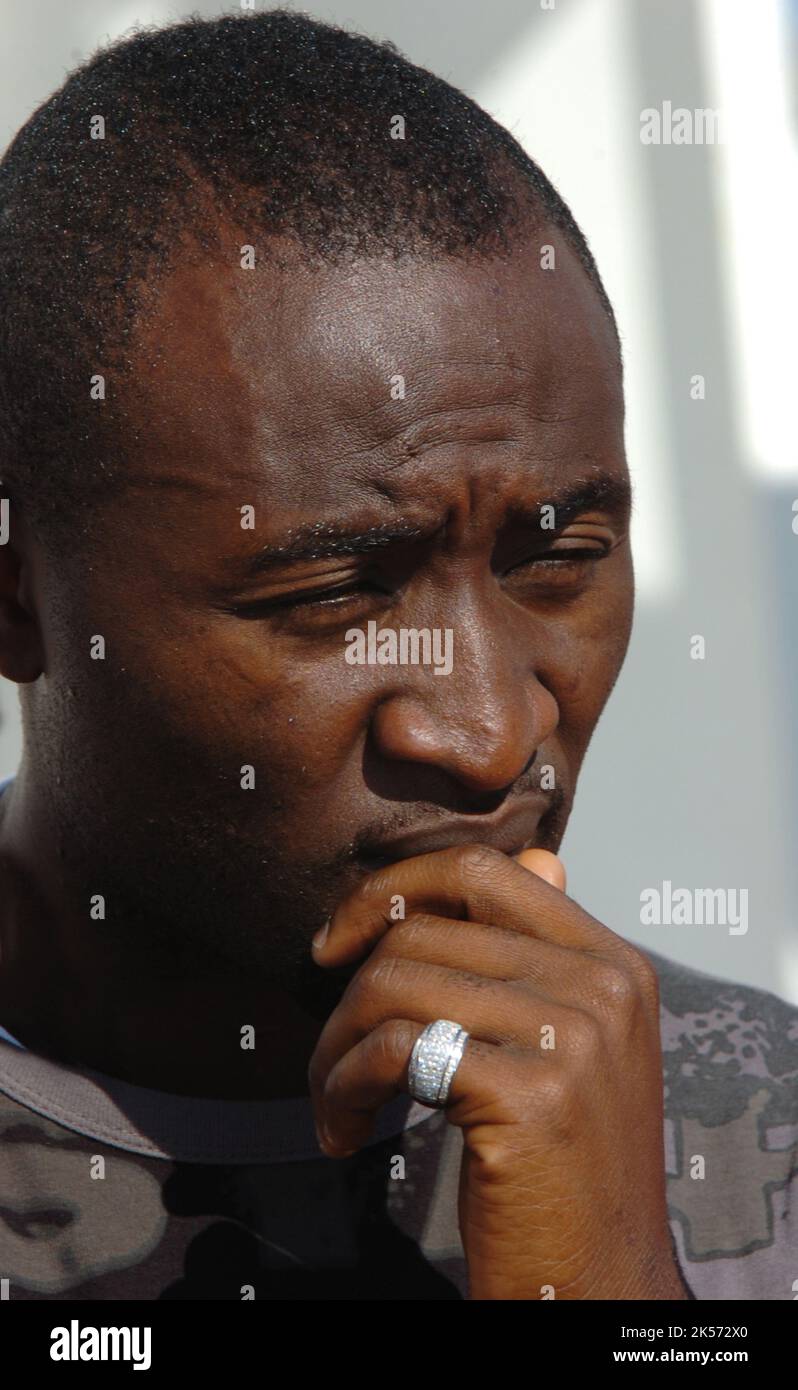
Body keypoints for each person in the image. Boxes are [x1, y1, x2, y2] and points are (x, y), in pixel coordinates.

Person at [0, 9, 794, 1302]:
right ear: (19, 595)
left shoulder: (759, 1134)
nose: (487, 733)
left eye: (556, 556)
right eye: (334, 590)